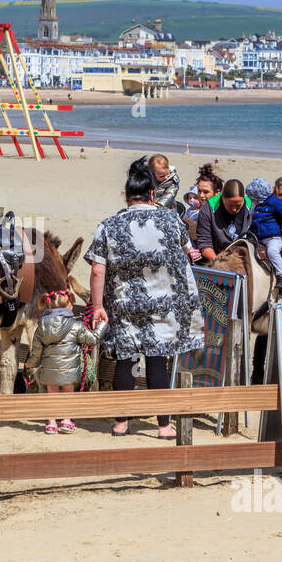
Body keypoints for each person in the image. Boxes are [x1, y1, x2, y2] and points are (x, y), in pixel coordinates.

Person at [86, 159, 204, 437]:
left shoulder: (109, 225)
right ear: (152, 193)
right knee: (156, 360)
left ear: (127, 196)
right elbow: (188, 251)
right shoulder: (171, 220)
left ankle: (121, 423)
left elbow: (97, 269)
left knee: (124, 361)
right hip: (162, 305)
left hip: (124, 305)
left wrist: (98, 306)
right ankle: (163, 426)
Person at [24, 289, 104, 434]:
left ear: (49, 306)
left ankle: (51, 423)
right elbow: (92, 339)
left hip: (48, 370)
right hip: (70, 370)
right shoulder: (76, 325)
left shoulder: (42, 325)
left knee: (51, 395)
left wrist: (32, 364)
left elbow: (36, 348)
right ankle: (66, 421)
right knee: (68, 395)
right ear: (69, 307)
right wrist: (102, 325)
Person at [195, 178, 252, 262]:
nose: (234, 209)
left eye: (238, 205)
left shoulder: (252, 208)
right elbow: (204, 242)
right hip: (217, 256)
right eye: (230, 205)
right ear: (222, 198)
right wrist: (219, 263)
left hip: (246, 257)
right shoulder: (208, 209)